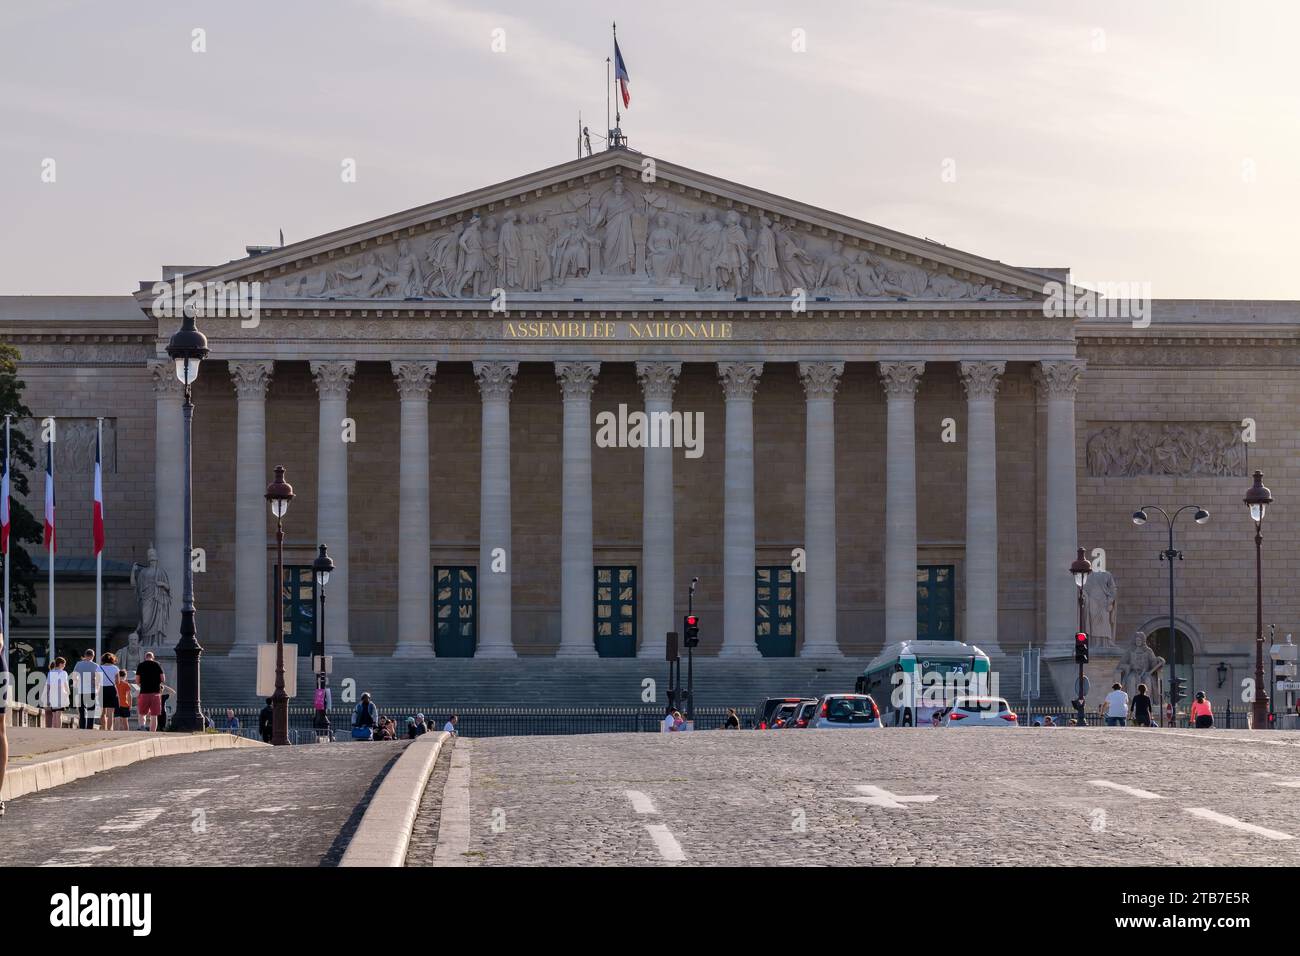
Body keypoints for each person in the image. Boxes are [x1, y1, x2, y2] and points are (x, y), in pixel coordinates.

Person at [134, 652, 165, 732]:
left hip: (144, 692)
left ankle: (142, 727)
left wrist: (142, 685)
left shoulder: (140, 665)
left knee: (142, 713)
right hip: (155, 693)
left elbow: (137, 680)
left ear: (145, 657)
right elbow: (163, 679)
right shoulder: (157, 665)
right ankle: (152, 733)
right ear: (153, 657)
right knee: (154, 715)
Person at [72, 649, 101, 730]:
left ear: (85, 655)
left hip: (81, 691)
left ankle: (82, 728)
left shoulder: (78, 664)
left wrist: (77, 684)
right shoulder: (95, 666)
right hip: (92, 691)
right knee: (91, 712)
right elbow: (98, 680)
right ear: (93, 656)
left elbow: (74, 677)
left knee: (82, 712)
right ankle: (89, 729)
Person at [44, 657, 71, 727]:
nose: (64, 666)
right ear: (60, 664)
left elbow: (48, 686)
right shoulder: (64, 673)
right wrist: (68, 693)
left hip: (52, 695)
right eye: (64, 664)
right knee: (59, 714)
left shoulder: (50, 673)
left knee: (54, 714)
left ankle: (54, 730)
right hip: (61, 695)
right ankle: (58, 731)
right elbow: (65, 684)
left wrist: (47, 696)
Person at [98, 652, 121, 733]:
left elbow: (96, 680)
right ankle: (109, 730)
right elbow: (118, 682)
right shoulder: (115, 668)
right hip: (111, 689)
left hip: (102, 689)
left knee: (103, 711)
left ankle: (103, 728)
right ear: (112, 659)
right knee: (111, 712)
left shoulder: (99, 668)